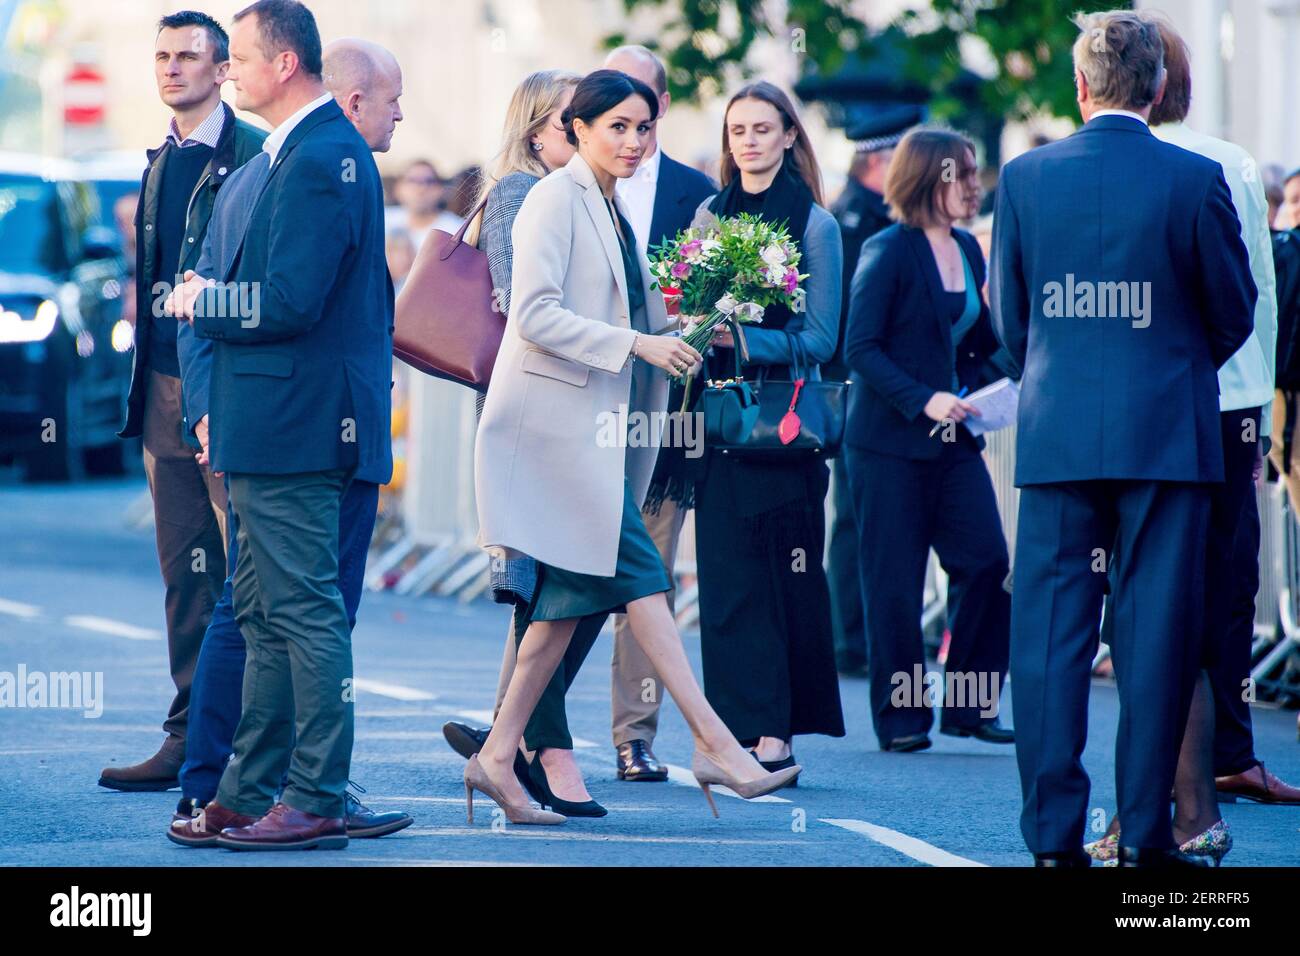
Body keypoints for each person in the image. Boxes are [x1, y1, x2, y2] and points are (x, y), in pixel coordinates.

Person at [471, 69, 799, 825]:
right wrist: (638, 347)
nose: (633, 141)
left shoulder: (608, 206)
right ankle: (714, 741)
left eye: (644, 128)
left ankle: (495, 758)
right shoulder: (557, 198)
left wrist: (718, 303)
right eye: (616, 126)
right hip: (552, 439)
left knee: (559, 612)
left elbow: (644, 318)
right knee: (645, 581)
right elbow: (535, 315)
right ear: (577, 128)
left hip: (590, 440)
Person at [991, 9, 1257, 868]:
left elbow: (1012, 324)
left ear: (1080, 86)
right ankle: (1146, 834)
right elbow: (1233, 312)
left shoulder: (1025, 177)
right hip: (1166, 438)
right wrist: (1171, 366)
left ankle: (1051, 840)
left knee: (1047, 640)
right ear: (1156, 87)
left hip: (1060, 432)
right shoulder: (1193, 178)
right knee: (1154, 641)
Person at [165, 0, 393, 852]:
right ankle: (246, 790)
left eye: (241, 59)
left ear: (285, 65)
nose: (229, 73)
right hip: (270, 425)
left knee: (303, 614)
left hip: (302, 428)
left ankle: (317, 794)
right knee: (262, 615)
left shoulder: (321, 155)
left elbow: (291, 300)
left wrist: (201, 300)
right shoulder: (299, 151)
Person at [1081, 15, 1298, 866]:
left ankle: (1169, 800)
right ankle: (1201, 786)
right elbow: (1251, 299)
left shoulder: (1083, 161)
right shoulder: (1226, 162)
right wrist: (1254, 413)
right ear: (1174, 83)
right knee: (1214, 600)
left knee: (1147, 611)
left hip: (1137, 415)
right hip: (1220, 405)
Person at [104, 10, 264, 795]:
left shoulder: (255, 154)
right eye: (162, 55)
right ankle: (186, 737)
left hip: (228, 394)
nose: (171, 68)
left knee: (254, 578)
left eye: (188, 56)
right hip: (163, 388)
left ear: (225, 67)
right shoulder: (161, 158)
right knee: (188, 575)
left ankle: (253, 751)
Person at [690, 81, 846, 780]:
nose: (747, 141)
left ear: (789, 136)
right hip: (720, 422)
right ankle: (731, 732)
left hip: (784, 431)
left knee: (785, 577)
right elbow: (686, 317)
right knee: (726, 581)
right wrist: (700, 329)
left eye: (761, 128)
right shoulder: (708, 216)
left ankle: (777, 733)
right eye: (736, 130)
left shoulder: (815, 225)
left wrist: (747, 338)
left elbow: (821, 337)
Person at [844, 127, 1015, 754]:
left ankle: (970, 706)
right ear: (929, 179)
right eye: (962, 174)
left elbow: (973, 342)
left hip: (953, 439)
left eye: (975, 174)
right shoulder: (888, 250)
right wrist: (923, 398)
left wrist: (998, 382)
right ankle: (902, 719)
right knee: (895, 581)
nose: (974, 186)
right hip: (887, 444)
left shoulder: (969, 249)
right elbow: (859, 347)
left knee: (989, 563)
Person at [825, 108, 919, 679]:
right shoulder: (852, 221)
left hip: (877, 385)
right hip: (857, 384)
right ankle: (851, 637)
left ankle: (863, 634)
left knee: (869, 514)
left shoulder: (878, 217)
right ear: (879, 161)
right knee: (855, 515)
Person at [395, 158, 461, 251]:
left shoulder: (456, 231)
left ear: (441, 189)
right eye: (412, 180)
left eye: (429, 181)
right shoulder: (384, 222)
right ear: (398, 188)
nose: (421, 188)